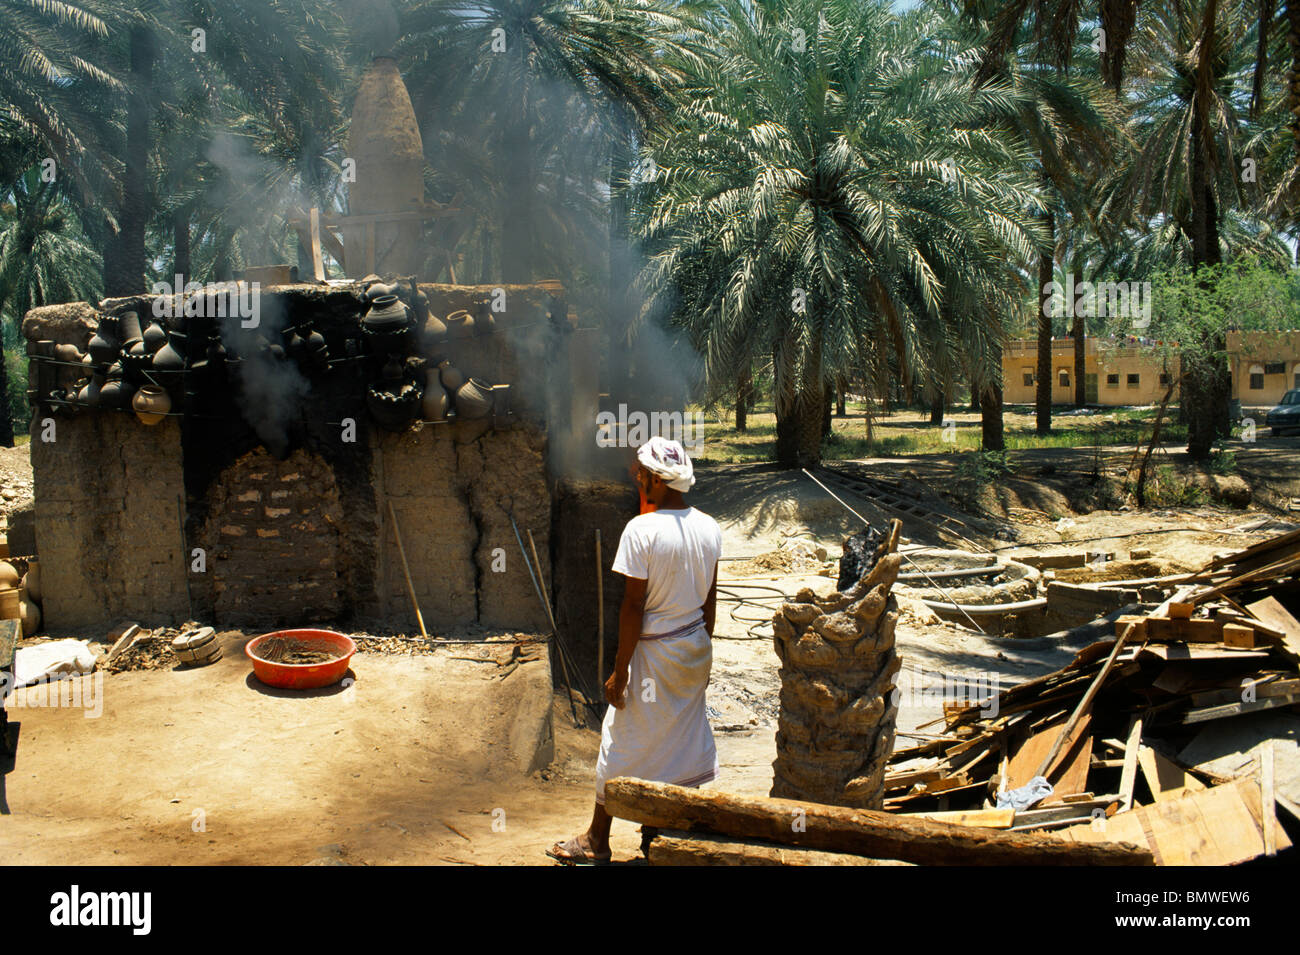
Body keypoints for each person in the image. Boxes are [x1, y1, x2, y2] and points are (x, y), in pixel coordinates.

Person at [547, 436, 722, 864]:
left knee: (620, 740)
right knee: (678, 743)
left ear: (658, 480)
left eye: (641, 472)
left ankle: (596, 840)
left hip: (655, 655)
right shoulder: (710, 527)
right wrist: (701, 651)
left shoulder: (641, 530)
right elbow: (710, 602)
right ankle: (658, 838)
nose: (635, 477)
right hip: (693, 648)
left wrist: (621, 669)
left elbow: (634, 605)